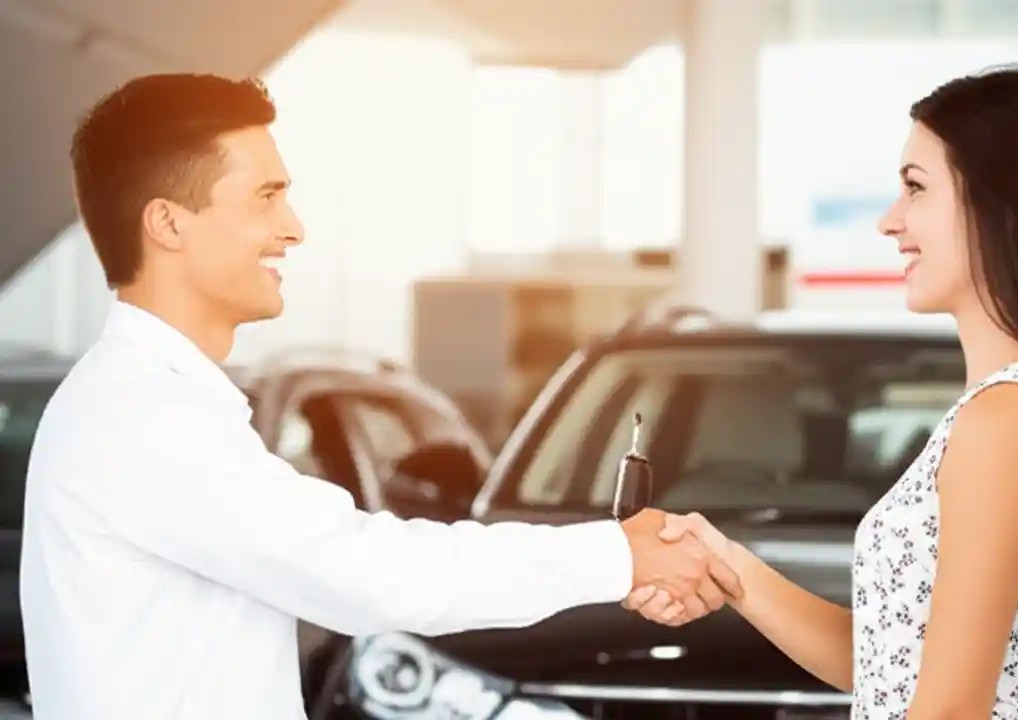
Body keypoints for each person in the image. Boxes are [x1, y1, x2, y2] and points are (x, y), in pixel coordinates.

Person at [18, 73, 741, 719]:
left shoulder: (149, 402)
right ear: (168, 223)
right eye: (266, 196)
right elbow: (367, 574)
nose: (292, 227)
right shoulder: (146, 416)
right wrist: (616, 557)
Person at [625, 67, 1018, 719]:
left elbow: (947, 712)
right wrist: (730, 565)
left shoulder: (1007, 420)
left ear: (998, 206)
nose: (890, 221)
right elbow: (884, 663)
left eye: (915, 188)